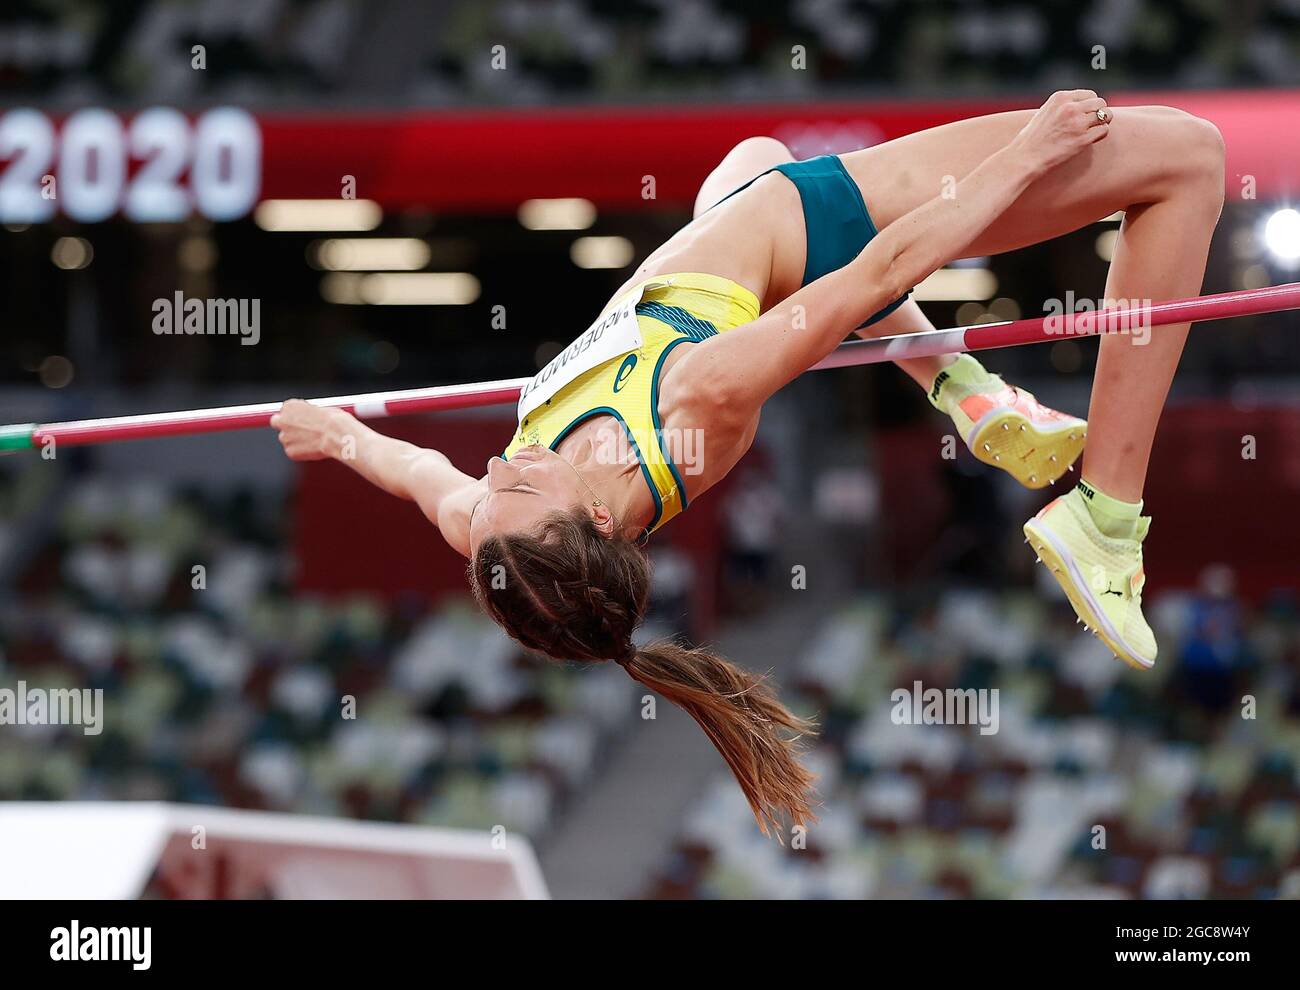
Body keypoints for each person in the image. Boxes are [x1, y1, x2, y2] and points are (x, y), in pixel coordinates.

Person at [272, 91, 1225, 833]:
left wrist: (338, 434)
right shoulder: (698, 397)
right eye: (520, 484)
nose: (500, 467)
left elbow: (414, 474)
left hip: (748, 215)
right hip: (834, 222)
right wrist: (1028, 155)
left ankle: (964, 392)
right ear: (599, 520)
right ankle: (1105, 512)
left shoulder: (497, 529)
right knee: (1187, 158)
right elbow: (875, 275)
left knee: (749, 160)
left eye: (497, 488)